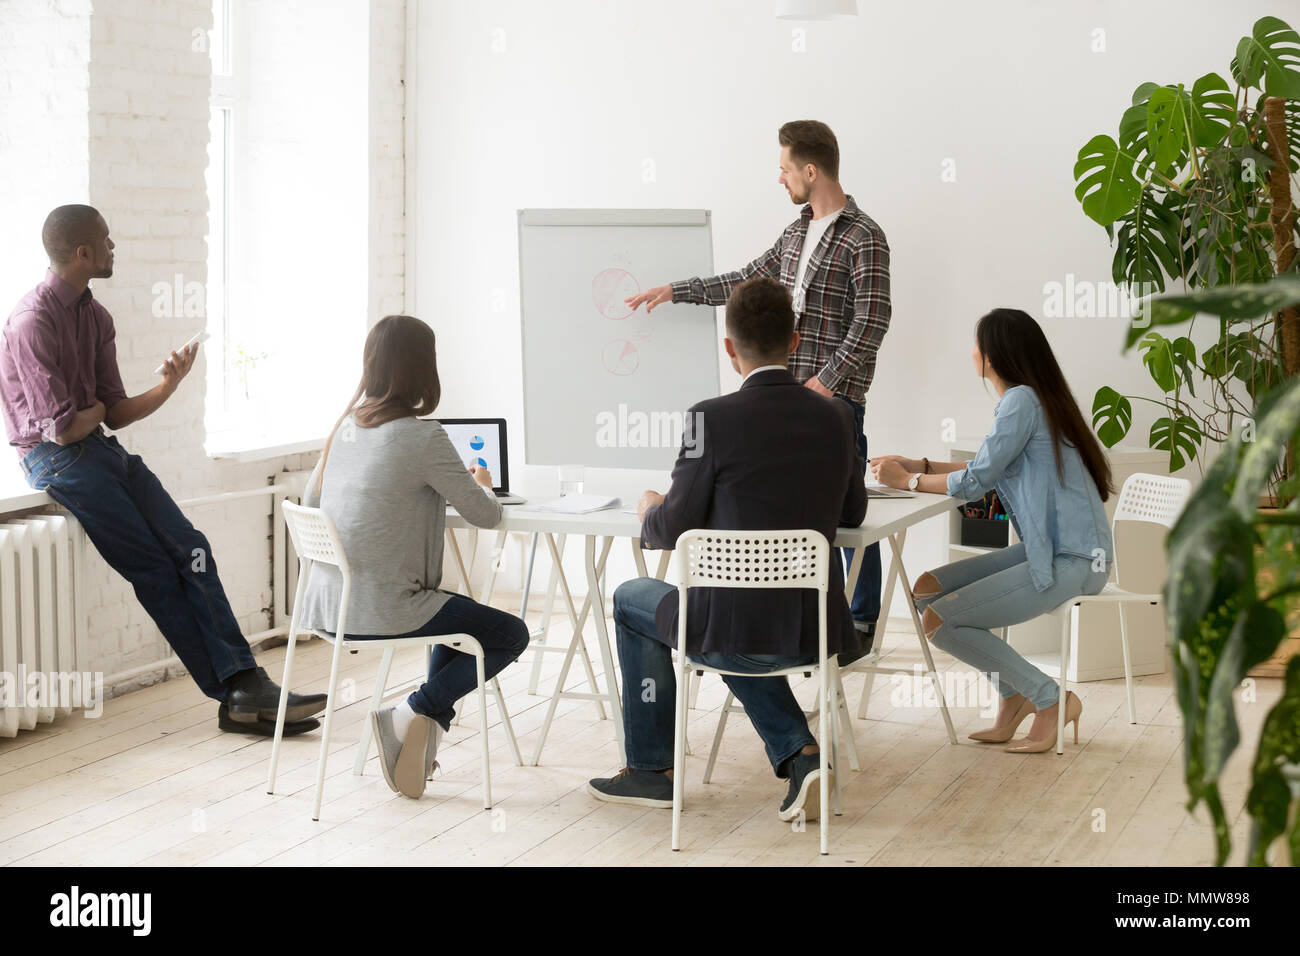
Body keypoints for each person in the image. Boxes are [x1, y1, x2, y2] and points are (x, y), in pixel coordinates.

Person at [0, 204, 326, 735]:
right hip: (56, 461)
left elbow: (113, 411)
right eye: (106, 241)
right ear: (83, 252)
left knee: (192, 548)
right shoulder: (32, 321)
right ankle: (237, 691)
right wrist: (96, 414)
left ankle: (245, 687)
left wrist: (167, 386)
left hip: (99, 451)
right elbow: (59, 429)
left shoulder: (96, 316)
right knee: (154, 568)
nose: (113, 249)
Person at [587, 277, 867, 822]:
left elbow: (674, 526)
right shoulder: (835, 416)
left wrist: (650, 510)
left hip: (732, 630)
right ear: (795, 339)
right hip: (815, 630)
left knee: (633, 599)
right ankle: (799, 754)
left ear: (728, 347)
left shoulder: (707, 418)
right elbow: (851, 513)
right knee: (719, 620)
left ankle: (651, 770)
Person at [625, 120, 890, 655]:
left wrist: (823, 384)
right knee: (781, 519)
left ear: (810, 171)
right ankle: (783, 623)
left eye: (784, 169)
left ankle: (857, 623)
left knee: (844, 515)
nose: (780, 179)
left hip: (834, 405)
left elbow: (873, 322)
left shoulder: (864, 236)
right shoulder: (795, 234)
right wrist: (679, 290)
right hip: (780, 402)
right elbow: (745, 278)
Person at [301, 314, 529, 800]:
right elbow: (485, 516)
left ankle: (418, 744)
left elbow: (309, 500)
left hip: (328, 607)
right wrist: (481, 484)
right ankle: (410, 712)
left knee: (459, 625)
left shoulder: (343, 429)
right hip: (383, 608)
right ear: (425, 369)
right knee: (510, 634)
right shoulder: (421, 436)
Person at [870, 308, 1114, 753]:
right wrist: (918, 465)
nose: (972, 353)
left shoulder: (1021, 400)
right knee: (927, 589)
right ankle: (1012, 694)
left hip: (1072, 560)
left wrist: (904, 482)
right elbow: (986, 468)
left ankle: (1050, 699)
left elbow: (975, 482)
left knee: (938, 620)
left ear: (992, 356)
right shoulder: (1036, 398)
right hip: (1057, 550)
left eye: (976, 344)